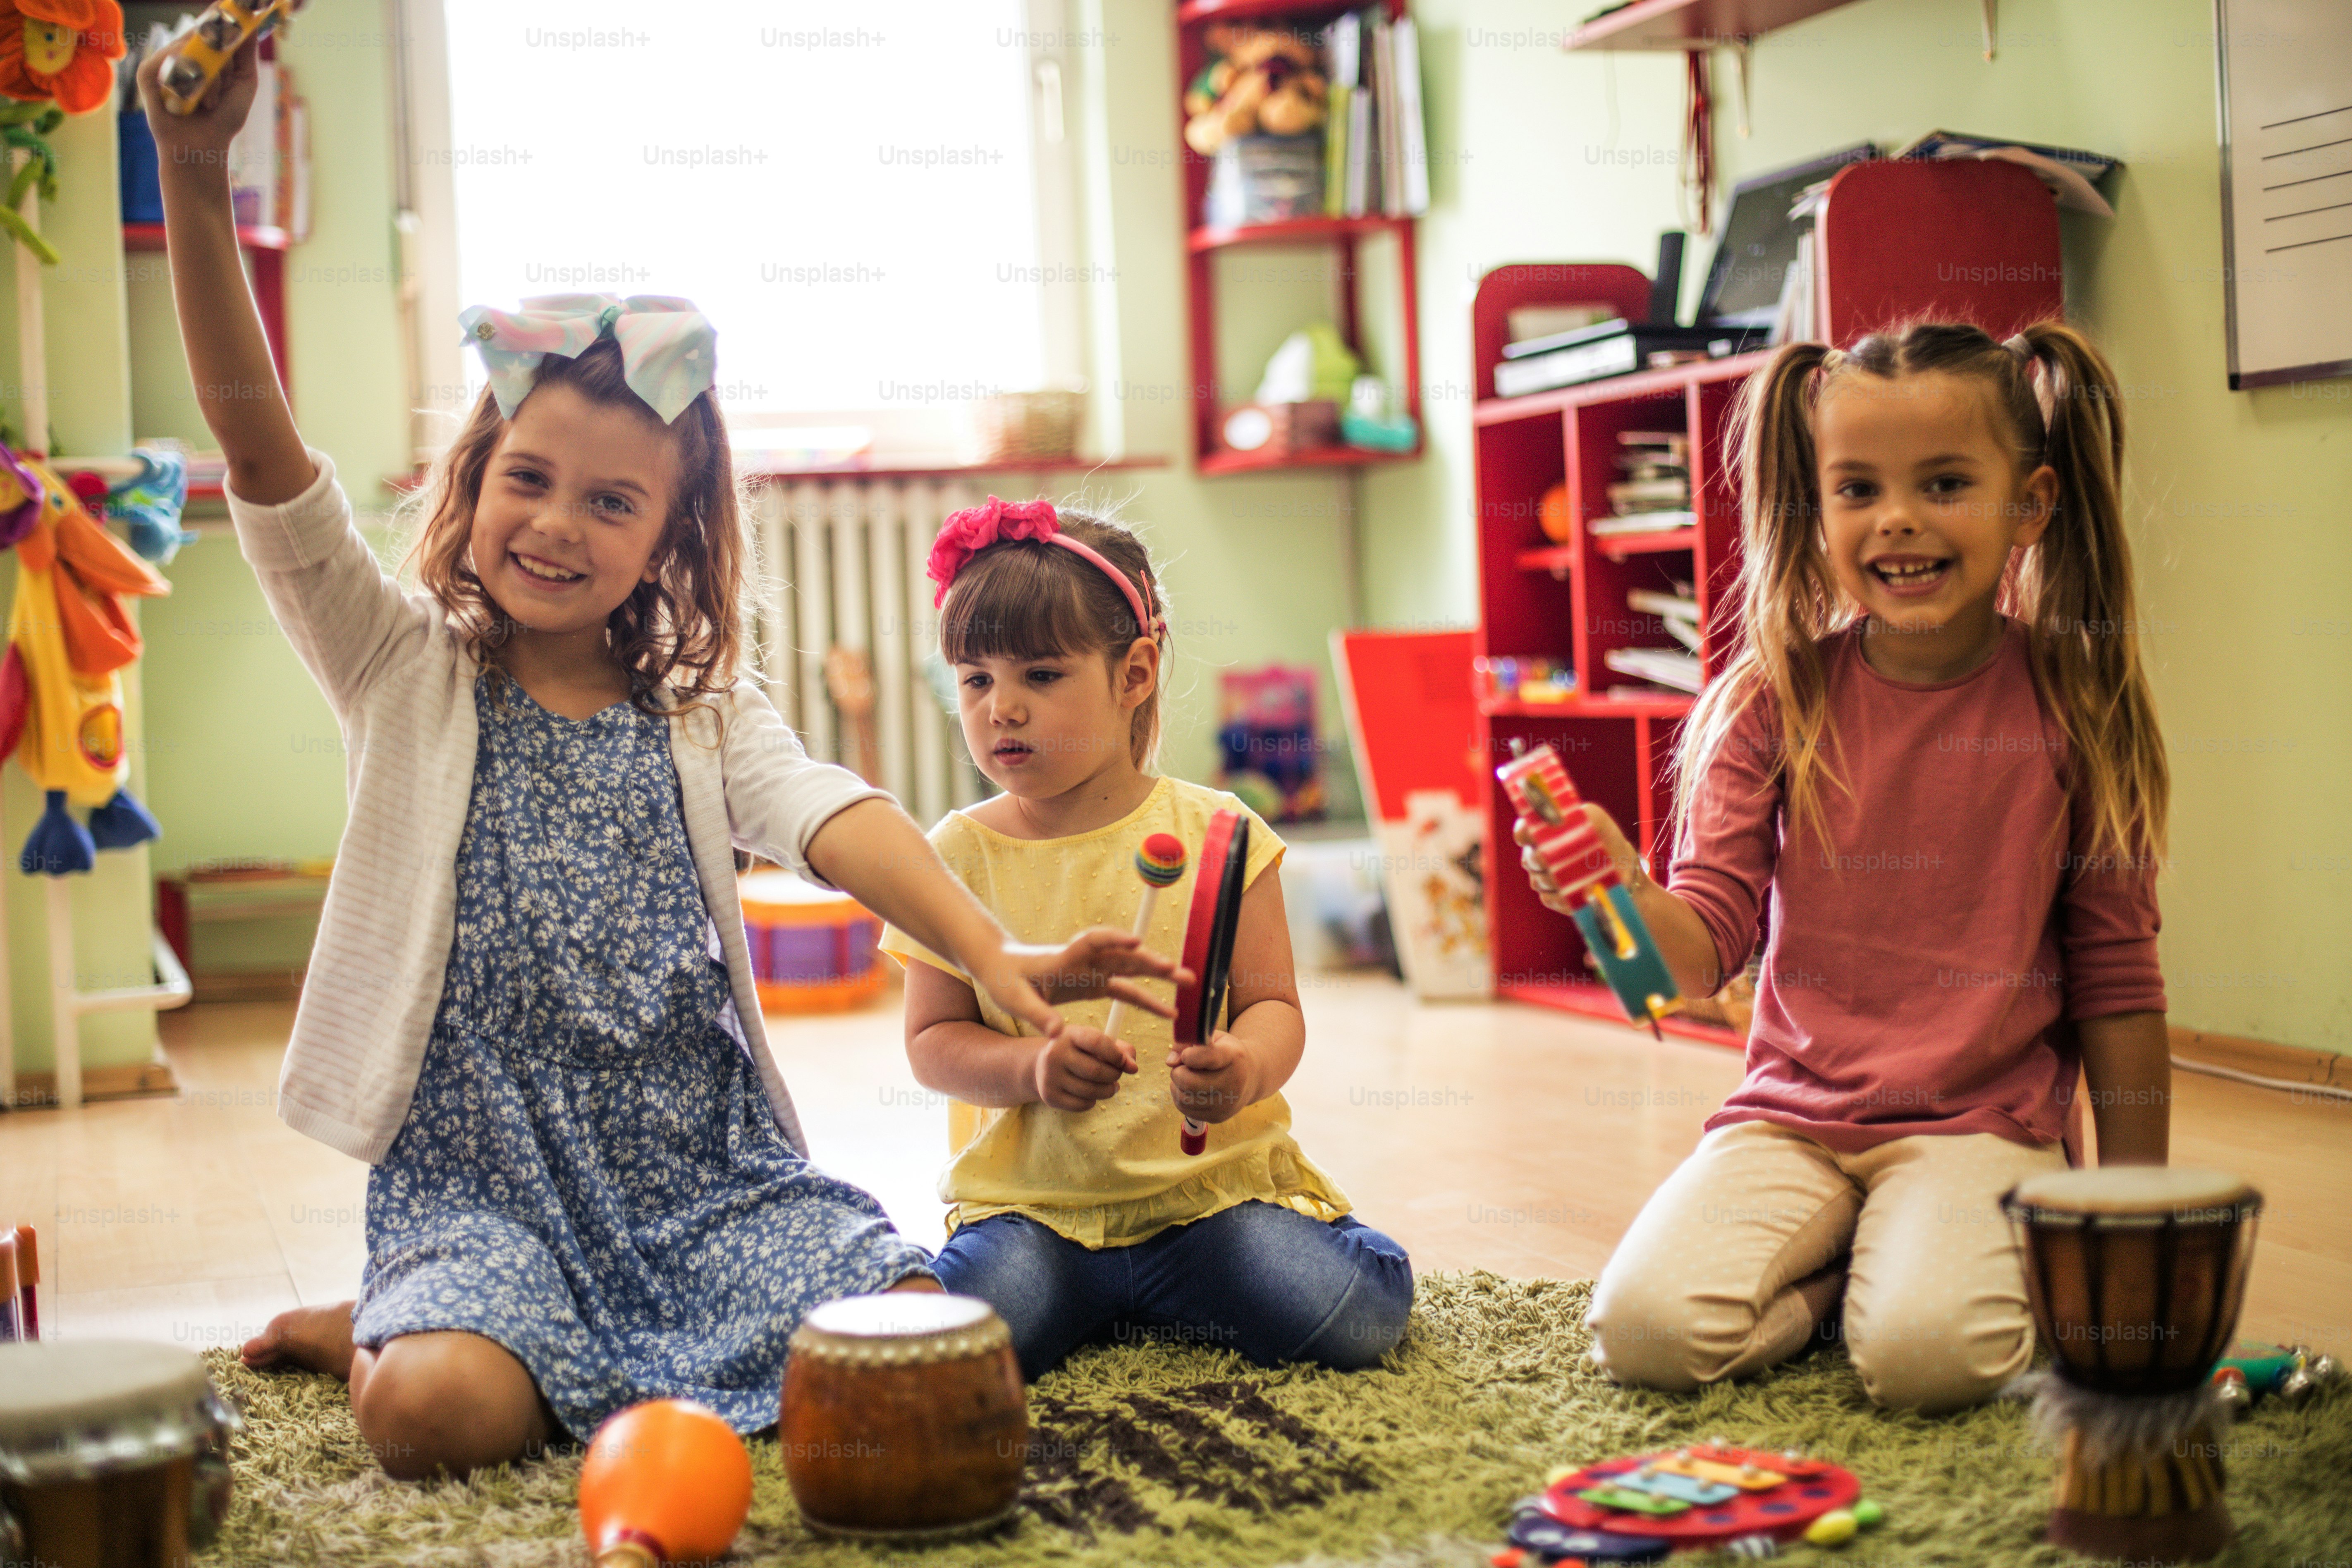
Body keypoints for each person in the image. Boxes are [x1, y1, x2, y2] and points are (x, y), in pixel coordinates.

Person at [139, 46, 1176, 1476]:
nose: (558, 525)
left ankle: (477, 1329)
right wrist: (195, 180)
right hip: (480, 1187)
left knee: (932, 1331)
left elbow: (829, 812)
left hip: (700, 1175)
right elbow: (262, 459)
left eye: (611, 501)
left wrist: (985, 945)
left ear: (665, 540)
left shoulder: (695, 696)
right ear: (474, 482)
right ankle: (381, 1319)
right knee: (440, 1424)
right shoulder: (397, 663)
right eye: (529, 480)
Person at [1518, 321, 2170, 1412]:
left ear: (2032, 504)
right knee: (1644, 1334)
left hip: (1982, 1126)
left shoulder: (2078, 702)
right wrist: (1616, 888)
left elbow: (2117, 980)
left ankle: (1911, 1262)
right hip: (1791, 1116)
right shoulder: (1770, 701)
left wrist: (2133, 1216)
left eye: (1947, 483)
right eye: (1858, 488)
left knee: (1929, 1363)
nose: (1899, 519)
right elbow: (1695, 952)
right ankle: (1843, 1272)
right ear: (1816, 512)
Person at [881, 497, 1414, 1381]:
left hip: (1208, 1207)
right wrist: (1029, 1071)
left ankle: (1193, 1286)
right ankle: (1107, 1305)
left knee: (1356, 1320)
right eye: (975, 680)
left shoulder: (1223, 832)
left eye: (1040, 676)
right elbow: (933, 1044)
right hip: (1034, 1216)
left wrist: (1243, 1068)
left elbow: (1274, 1005)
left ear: (1135, 673)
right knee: (948, 1357)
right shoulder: (951, 856)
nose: (1001, 710)